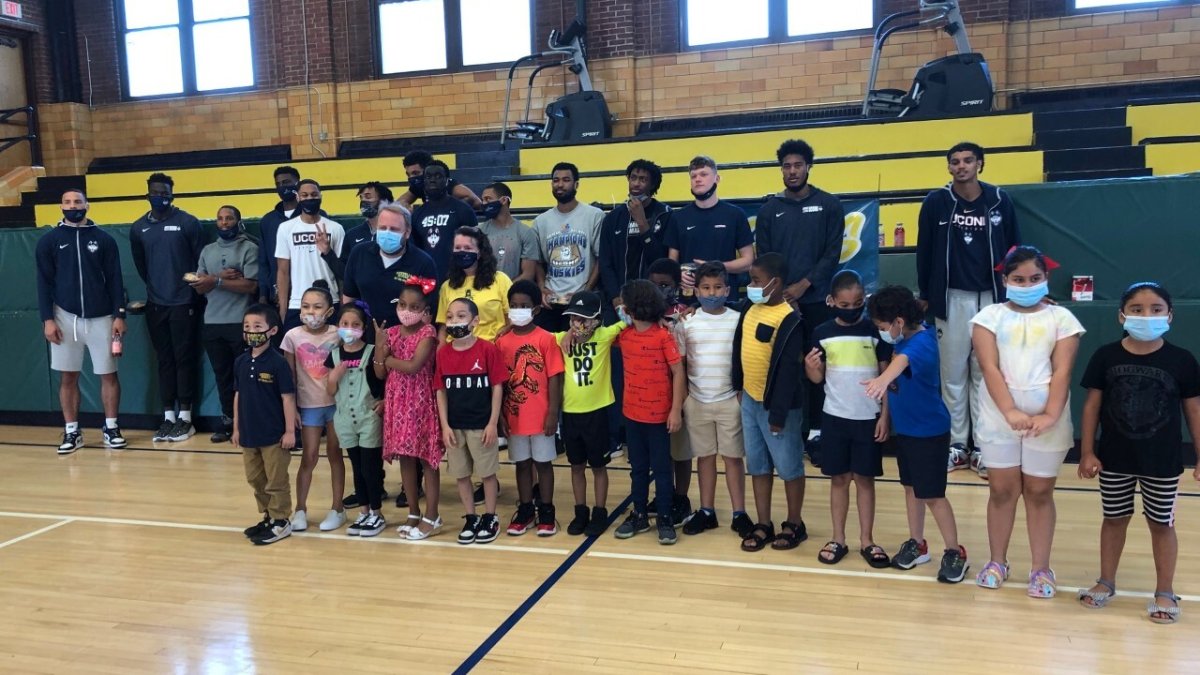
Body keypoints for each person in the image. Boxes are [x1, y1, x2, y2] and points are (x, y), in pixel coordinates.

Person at [1077, 282, 1200, 624]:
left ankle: (1165, 590)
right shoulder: (1105, 356)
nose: (1147, 315)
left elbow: (1194, 411)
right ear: (1121, 316)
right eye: (1137, 309)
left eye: (1156, 309)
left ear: (1170, 315)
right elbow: (1091, 408)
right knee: (1114, 518)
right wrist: (1087, 451)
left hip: (1162, 462)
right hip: (1115, 458)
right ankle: (1106, 581)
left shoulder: (1183, 360)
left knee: (1162, 523)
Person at [970, 246, 1084, 598]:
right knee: (1002, 491)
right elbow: (989, 367)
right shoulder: (988, 317)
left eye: (1035, 278)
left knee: (1038, 492)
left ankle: (1040, 568)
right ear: (1005, 280)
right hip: (997, 416)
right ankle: (997, 561)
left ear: (1045, 279)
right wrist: (1010, 411)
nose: (1027, 284)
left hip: (1047, 420)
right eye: (1018, 279)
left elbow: (1063, 370)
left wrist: (1049, 414)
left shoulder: (1061, 319)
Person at [916, 142, 1021, 475]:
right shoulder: (936, 202)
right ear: (949, 168)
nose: (961, 166)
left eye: (967, 161)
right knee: (953, 375)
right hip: (950, 299)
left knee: (985, 373)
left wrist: (1013, 293)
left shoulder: (1000, 200)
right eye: (955, 162)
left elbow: (1015, 248)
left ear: (980, 164)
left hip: (991, 298)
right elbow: (925, 251)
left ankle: (984, 446)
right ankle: (957, 445)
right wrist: (926, 294)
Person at [863, 285, 968, 583]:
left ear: (898, 320)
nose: (881, 331)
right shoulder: (905, 338)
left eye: (883, 326)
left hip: (929, 432)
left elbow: (901, 363)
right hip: (907, 431)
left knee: (933, 495)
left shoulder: (921, 342)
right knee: (910, 488)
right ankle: (917, 543)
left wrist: (882, 379)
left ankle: (954, 551)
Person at [754, 139, 846, 454]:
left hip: (817, 302)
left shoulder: (830, 205)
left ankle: (818, 432)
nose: (792, 171)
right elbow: (764, 258)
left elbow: (832, 253)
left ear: (808, 167)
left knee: (816, 366)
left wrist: (804, 285)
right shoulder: (769, 210)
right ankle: (785, 430)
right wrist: (782, 292)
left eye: (797, 165)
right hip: (780, 306)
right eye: (786, 166)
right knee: (782, 367)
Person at [803, 270, 892, 567]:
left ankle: (867, 540)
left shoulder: (874, 332)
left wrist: (884, 417)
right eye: (844, 304)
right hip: (835, 418)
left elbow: (886, 376)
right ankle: (838, 538)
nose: (852, 308)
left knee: (865, 480)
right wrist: (810, 367)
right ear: (832, 301)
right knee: (839, 479)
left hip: (868, 418)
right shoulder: (822, 332)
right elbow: (817, 378)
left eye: (857, 302)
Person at [36, 188, 127, 454]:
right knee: (68, 376)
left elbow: (115, 279)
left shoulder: (104, 239)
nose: (73, 205)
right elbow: (43, 282)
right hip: (64, 317)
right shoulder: (49, 241)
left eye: (77, 201)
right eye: (67, 201)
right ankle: (72, 431)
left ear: (87, 205)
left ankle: (111, 427)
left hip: (101, 318)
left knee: (108, 374)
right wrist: (47, 319)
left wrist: (119, 314)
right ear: (61, 206)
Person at [731, 254, 808, 553]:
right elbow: (740, 348)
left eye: (756, 281)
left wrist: (777, 414)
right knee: (759, 466)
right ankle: (764, 522)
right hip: (749, 401)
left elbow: (789, 372)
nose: (751, 286)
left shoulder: (791, 320)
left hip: (778, 409)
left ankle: (794, 523)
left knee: (789, 468)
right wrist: (739, 386)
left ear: (776, 283)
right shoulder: (750, 308)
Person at [676, 262, 751, 538]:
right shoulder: (686, 322)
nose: (712, 292)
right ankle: (706, 511)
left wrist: (741, 393)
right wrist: (684, 400)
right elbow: (681, 364)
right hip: (697, 400)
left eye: (718, 287)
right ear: (695, 290)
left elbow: (743, 359)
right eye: (706, 288)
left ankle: (739, 513)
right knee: (705, 458)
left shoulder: (737, 319)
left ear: (728, 289)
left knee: (732, 458)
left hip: (730, 399)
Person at [130, 172, 206, 442]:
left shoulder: (188, 223)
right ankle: (168, 417)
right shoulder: (139, 228)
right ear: (147, 194)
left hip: (184, 302)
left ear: (172, 194)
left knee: (184, 359)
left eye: (165, 192)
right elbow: (141, 265)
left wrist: (188, 291)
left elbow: (201, 263)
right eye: (155, 192)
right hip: (155, 305)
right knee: (164, 361)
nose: (160, 196)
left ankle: (186, 417)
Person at [613, 279, 686, 545]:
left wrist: (675, 410)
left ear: (633, 306)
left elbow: (678, 372)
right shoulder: (624, 335)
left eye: (623, 303)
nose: (620, 307)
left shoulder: (662, 336)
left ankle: (665, 517)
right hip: (632, 415)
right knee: (639, 468)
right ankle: (640, 513)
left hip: (659, 417)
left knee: (662, 469)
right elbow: (598, 336)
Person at [434, 298, 506, 545]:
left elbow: (497, 387)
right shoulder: (443, 353)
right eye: (451, 317)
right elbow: (440, 391)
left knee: (487, 474)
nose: (455, 321)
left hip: (481, 424)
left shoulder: (487, 350)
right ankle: (471, 517)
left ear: (475, 321)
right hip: (454, 427)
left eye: (461, 316)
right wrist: (444, 426)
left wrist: (492, 422)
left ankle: (490, 516)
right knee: (461, 475)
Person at [497, 280, 565, 537]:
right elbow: (501, 382)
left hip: (541, 418)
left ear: (536, 309)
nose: (518, 310)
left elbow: (554, 377)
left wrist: (552, 413)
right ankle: (526, 510)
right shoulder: (502, 342)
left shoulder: (546, 339)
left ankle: (546, 510)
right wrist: (502, 414)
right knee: (522, 465)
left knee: (544, 464)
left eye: (524, 306)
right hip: (514, 418)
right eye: (513, 306)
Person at [378, 284, 443, 539]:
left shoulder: (428, 332)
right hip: (397, 402)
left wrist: (386, 357)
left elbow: (414, 366)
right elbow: (380, 372)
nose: (406, 311)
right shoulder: (391, 333)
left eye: (414, 307)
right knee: (406, 456)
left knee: (427, 458)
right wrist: (380, 353)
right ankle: (414, 512)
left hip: (420, 401)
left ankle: (432, 514)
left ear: (424, 310)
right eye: (402, 305)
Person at [280, 280, 345, 533]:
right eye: (306, 306)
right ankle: (300, 509)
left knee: (335, 455)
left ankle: (337, 508)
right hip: (309, 406)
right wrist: (292, 409)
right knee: (309, 457)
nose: (311, 312)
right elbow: (290, 377)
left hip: (336, 404)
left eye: (317, 307)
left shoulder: (338, 334)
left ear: (329, 311)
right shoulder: (292, 337)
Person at [556, 292, 621, 536]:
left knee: (599, 465)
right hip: (570, 413)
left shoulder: (604, 336)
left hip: (597, 413)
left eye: (584, 319)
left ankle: (600, 511)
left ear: (596, 319)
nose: (578, 323)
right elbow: (534, 336)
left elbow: (627, 318)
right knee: (576, 465)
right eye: (574, 318)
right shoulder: (561, 339)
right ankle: (580, 511)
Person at [192, 205, 259, 443]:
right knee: (222, 376)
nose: (224, 222)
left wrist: (215, 280)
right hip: (213, 323)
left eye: (229, 218)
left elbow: (250, 286)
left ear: (238, 222)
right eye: (220, 219)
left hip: (241, 323)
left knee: (245, 375)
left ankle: (249, 422)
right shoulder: (207, 251)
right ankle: (228, 421)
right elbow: (199, 285)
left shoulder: (249, 248)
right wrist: (220, 279)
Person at [235, 304, 297, 546]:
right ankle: (268, 516)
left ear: (272, 331)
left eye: (257, 327)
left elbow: (287, 397)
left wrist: (290, 431)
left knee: (276, 479)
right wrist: (237, 429)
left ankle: (282, 520)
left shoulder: (278, 363)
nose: (252, 332)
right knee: (255, 478)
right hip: (249, 435)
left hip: (274, 436)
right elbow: (238, 395)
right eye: (247, 327)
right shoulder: (240, 362)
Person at [325, 303, 387, 538]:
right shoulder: (334, 355)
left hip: (368, 417)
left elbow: (383, 380)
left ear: (363, 327)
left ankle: (377, 513)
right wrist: (334, 376)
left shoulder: (372, 352)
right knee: (357, 467)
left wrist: (384, 402)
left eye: (355, 325)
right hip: (344, 420)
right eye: (344, 324)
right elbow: (330, 390)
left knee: (371, 468)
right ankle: (363, 510)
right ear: (338, 326)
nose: (349, 329)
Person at [666, 156, 754, 301]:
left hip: (726, 300)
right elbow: (672, 262)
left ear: (717, 178)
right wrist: (677, 275)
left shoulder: (735, 214)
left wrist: (714, 268)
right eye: (693, 176)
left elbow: (748, 261)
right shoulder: (678, 217)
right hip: (689, 301)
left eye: (703, 174)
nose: (698, 179)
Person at [341, 205, 438, 334]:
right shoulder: (359, 253)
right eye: (382, 228)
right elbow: (349, 298)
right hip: (365, 336)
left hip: (405, 338)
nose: (387, 233)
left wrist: (413, 343)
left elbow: (427, 313)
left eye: (394, 229)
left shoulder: (423, 262)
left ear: (407, 232)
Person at [647, 257, 694, 525]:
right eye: (654, 285)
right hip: (651, 394)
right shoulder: (642, 315)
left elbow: (685, 363)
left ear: (676, 285)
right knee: (659, 453)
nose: (659, 290)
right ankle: (662, 492)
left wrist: (681, 401)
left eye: (665, 285)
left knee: (681, 451)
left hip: (678, 393)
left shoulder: (684, 315)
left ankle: (682, 497)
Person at [533, 162, 605, 332]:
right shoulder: (540, 221)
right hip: (551, 302)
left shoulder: (594, 216)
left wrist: (585, 292)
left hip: (581, 301)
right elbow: (537, 262)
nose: (560, 184)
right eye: (556, 180)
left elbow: (601, 259)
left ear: (576, 184)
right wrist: (542, 287)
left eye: (566, 180)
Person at [598, 159, 672, 314]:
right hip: (618, 300)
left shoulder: (665, 214)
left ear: (652, 185)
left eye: (643, 179)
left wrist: (642, 223)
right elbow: (605, 262)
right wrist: (614, 296)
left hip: (652, 301)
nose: (636, 184)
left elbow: (661, 261)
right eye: (633, 178)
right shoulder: (613, 218)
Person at [276, 179, 345, 333]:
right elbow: (282, 271)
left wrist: (343, 304)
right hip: (297, 303)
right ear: (298, 197)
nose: (309, 198)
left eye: (314, 194)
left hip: (330, 301)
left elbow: (342, 273)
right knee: (295, 353)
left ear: (321, 196)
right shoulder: (285, 228)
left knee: (329, 352)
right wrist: (283, 307)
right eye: (304, 195)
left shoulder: (336, 228)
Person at [435, 226, 512, 342]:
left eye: (467, 247)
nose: (462, 251)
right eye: (457, 247)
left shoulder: (501, 280)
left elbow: (511, 320)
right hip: (456, 350)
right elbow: (443, 326)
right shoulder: (447, 286)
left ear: (480, 252)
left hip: (491, 348)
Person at [410, 160, 479, 282]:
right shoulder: (417, 214)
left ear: (447, 181)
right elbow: (414, 250)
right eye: (428, 177)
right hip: (427, 280)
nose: (432, 180)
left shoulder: (462, 209)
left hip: (458, 279)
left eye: (438, 176)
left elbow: (476, 245)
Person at [258, 166, 302, 306]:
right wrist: (264, 294)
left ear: (298, 183)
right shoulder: (268, 221)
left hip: (309, 292)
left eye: (287, 182)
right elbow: (263, 261)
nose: (282, 187)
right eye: (278, 184)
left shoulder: (315, 216)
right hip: (277, 294)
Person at [479, 182, 539, 283]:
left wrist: (506, 290)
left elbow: (528, 274)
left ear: (504, 200)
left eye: (488, 199)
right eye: (483, 200)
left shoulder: (525, 232)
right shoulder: (479, 232)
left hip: (513, 293)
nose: (484, 203)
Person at [397, 150, 483, 211]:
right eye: (408, 174)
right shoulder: (417, 187)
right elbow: (397, 205)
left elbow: (477, 202)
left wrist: (447, 208)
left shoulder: (448, 184)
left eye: (415, 173)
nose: (411, 178)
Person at [341, 182, 395, 269]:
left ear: (384, 201)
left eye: (368, 197)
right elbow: (345, 270)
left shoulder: (397, 232)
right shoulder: (352, 235)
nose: (363, 201)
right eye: (361, 198)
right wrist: (328, 253)